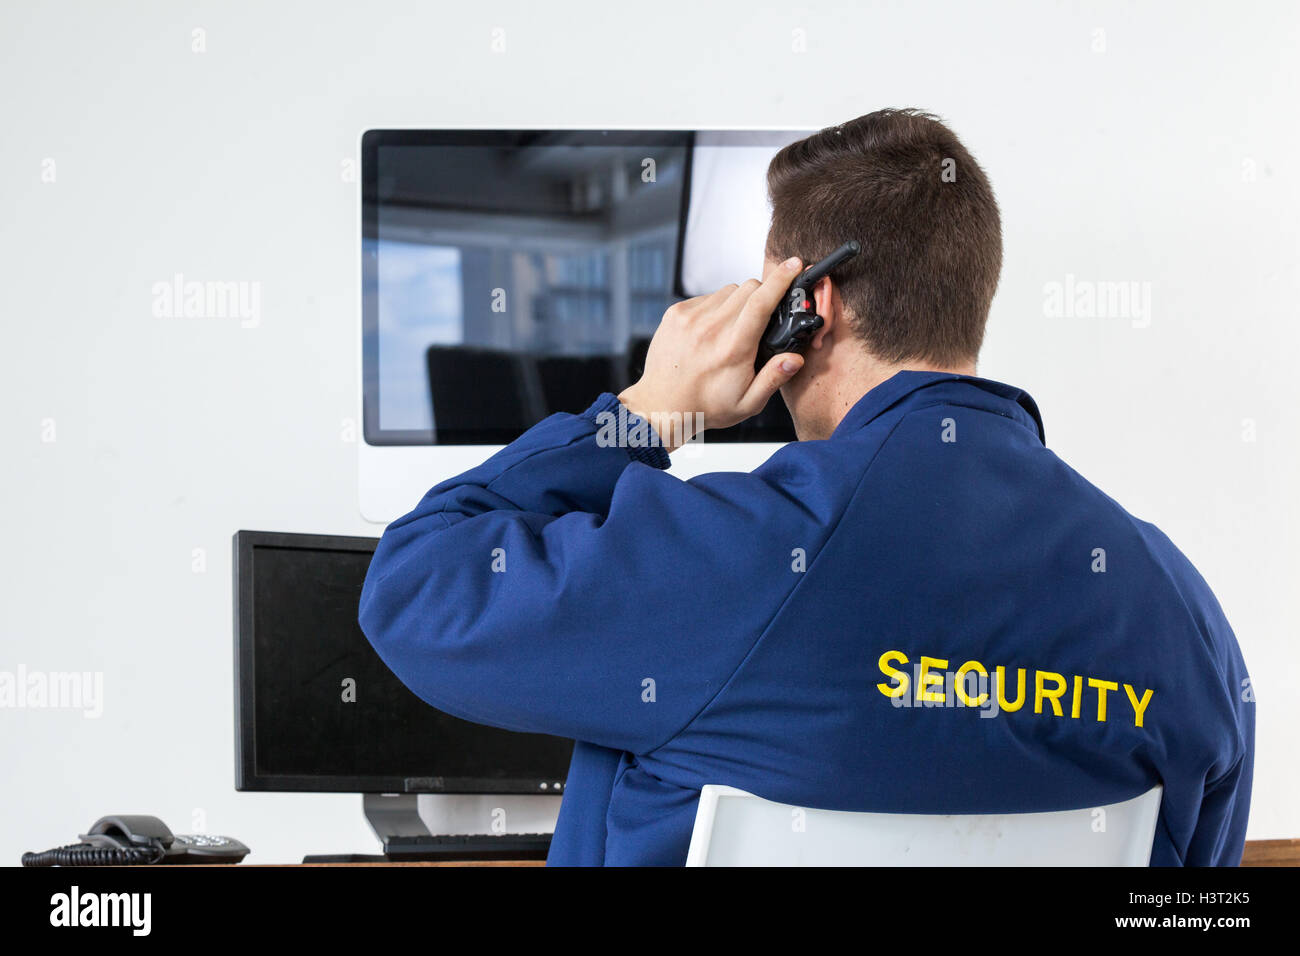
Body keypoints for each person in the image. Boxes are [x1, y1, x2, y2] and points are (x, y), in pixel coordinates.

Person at [358, 109, 1254, 866]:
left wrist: (647, 412)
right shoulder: (1178, 610)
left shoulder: (730, 554)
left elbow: (413, 591)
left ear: (807, 308)